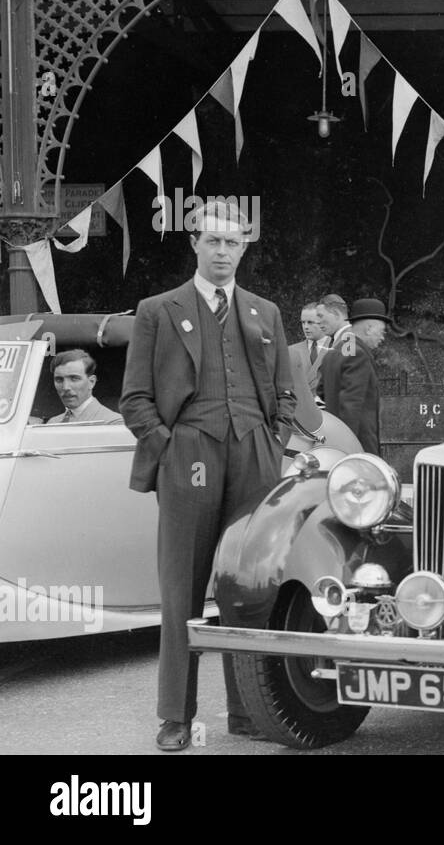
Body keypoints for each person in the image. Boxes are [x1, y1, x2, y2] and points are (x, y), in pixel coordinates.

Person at [119, 200, 295, 751]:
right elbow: (134, 399)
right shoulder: (158, 309)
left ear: (244, 247)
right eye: (213, 241)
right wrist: (168, 448)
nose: (223, 252)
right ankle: (176, 716)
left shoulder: (265, 311)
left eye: (233, 242)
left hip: (254, 454)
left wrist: (274, 438)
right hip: (189, 453)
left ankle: (249, 712)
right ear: (194, 242)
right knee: (183, 591)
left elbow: (287, 392)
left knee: (251, 586)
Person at [318, 298, 389, 455]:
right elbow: (351, 406)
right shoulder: (358, 354)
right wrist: (350, 450)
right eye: (381, 331)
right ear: (369, 328)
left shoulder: (333, 353)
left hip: (333, 442)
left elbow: (321, 393)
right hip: (357, 447)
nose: (382, 338)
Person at [45, 349, 123, 424]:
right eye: (59, 380)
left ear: (91, 382)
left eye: (74, 379)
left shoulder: (113, 423)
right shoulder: (53, 423)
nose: (65, 387)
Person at [288, 301, 329, 396]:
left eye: (310, 322)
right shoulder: (290, 351)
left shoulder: (336, 348)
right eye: (303, 322)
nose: (305, 327)